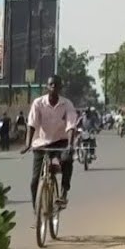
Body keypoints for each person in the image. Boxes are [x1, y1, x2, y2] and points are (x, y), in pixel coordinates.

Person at [21, 74, 80, 209]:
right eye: (51, 84)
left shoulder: (67, 104)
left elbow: (71, 126)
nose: (53, 87)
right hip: (41, 143)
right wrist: (28, 144)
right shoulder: (38, 103)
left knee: (67, 160)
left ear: (60, 87)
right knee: (34, 181)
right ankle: (37, 211)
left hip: (61, 141)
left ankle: (63, 194)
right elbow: (32, 124)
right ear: (47, 87)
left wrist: (70, 145)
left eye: (56, 84)